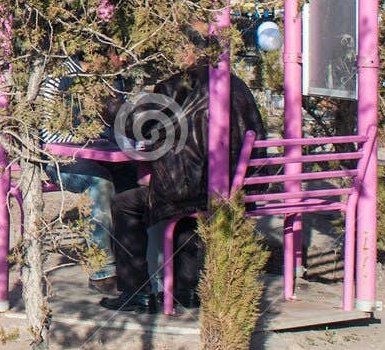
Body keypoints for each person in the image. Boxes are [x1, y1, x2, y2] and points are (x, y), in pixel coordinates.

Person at [101, 67, 266, 313]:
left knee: (125, 204)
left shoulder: (179, 85)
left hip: (197, 190)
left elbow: (135, 123)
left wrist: (107, 101)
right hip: (236, 188)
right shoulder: (237, 84)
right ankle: (184, 289)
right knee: (186, 207)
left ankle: (135, 292)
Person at [39, 62, 135, 297]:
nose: (120, 59)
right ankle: (102, 272)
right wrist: (90, 138)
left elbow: (117, 125)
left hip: (106, 155)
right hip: (61, 160)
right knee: (99, 183)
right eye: (115, 53)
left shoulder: (112, 75)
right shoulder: (58, 75)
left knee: (135, 182)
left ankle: (135, 264)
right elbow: (49, 134)